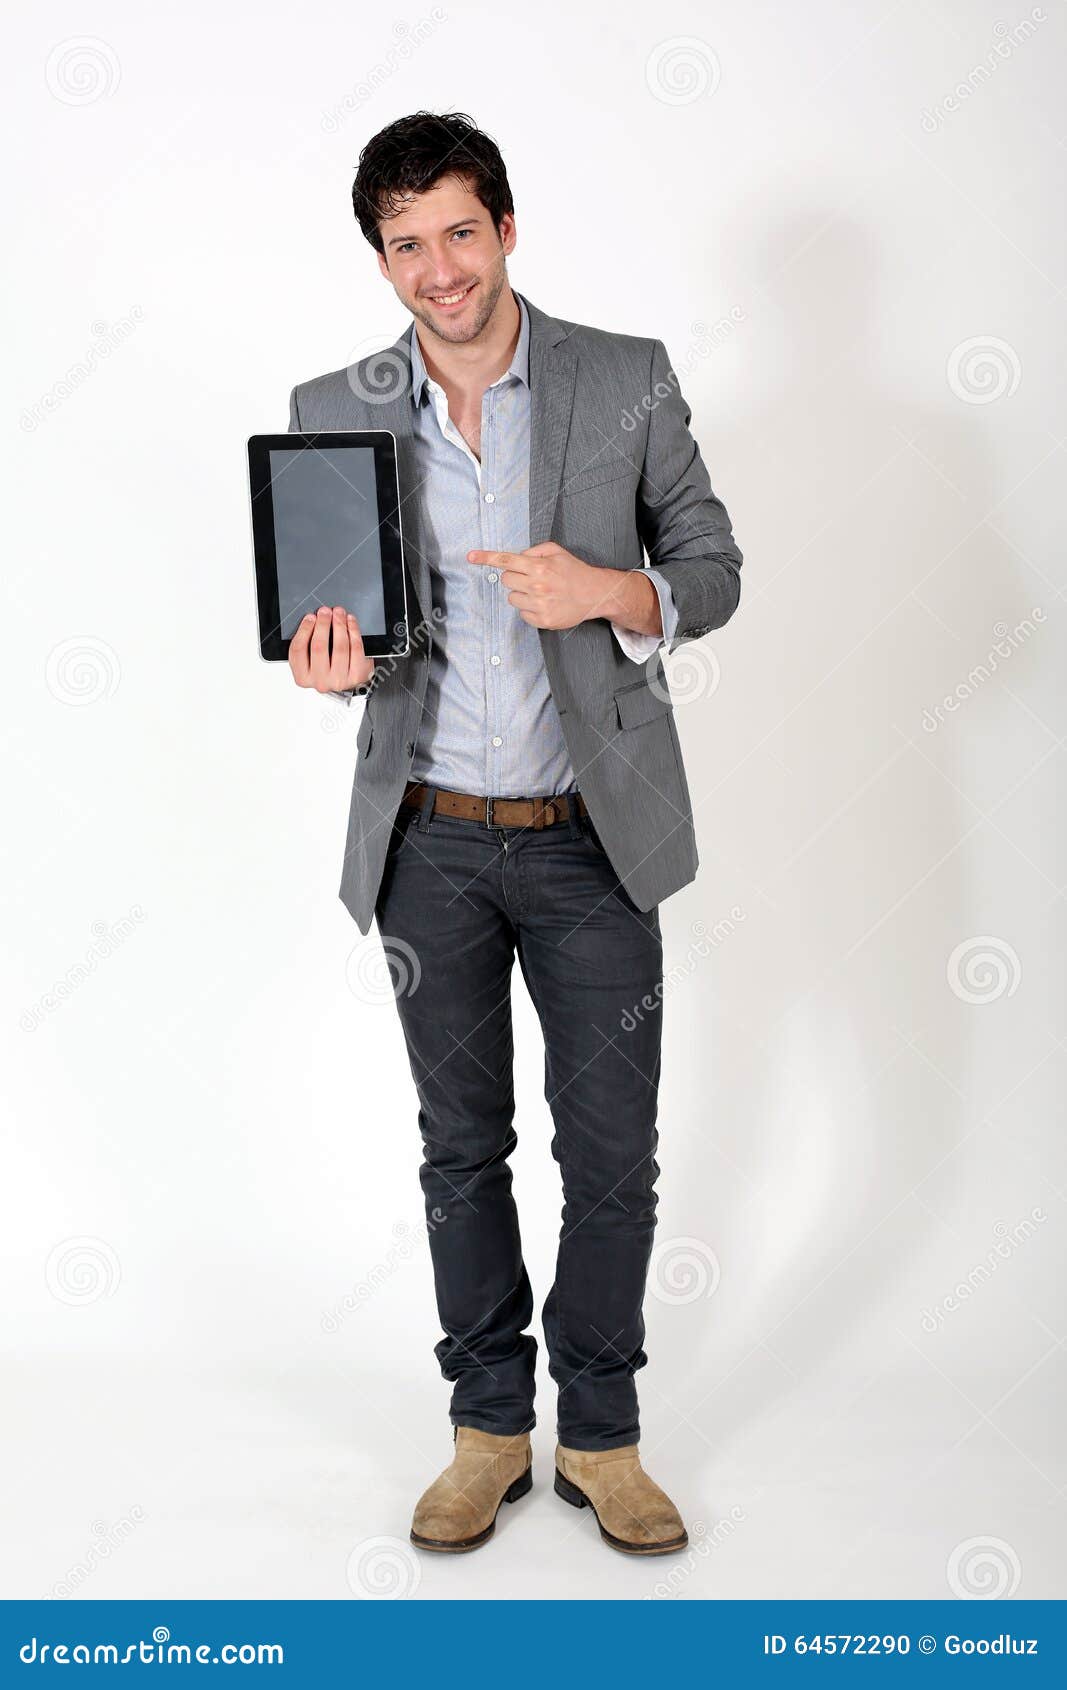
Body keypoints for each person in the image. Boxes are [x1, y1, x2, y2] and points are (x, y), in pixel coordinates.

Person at [285, 111, 742, 1557]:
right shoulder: (332, 400)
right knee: (458, 1146)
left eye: (459, 233)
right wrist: (327, 657)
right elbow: (326, 607)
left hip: (590, 836)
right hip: (427, 836)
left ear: (508, 230)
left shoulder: (622, 378)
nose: (438, 269)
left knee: (612, 1154)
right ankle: (489, 1429)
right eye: (405, 244)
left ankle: (600, 1435)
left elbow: (713, 566)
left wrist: (609, 587)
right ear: (383, 256)